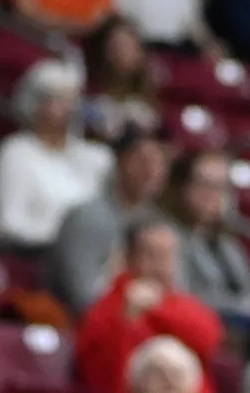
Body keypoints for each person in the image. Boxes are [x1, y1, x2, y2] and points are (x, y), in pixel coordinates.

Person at [76, 217, 225, 393]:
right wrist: (126, 320)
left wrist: (158, 308)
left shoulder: (181, 303)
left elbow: (210, 338)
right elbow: (103, 377)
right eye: (151, 255)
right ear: (128, 259)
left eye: (166, 255)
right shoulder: (108, 308)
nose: (160, 266)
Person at [0, 58, 114, 249]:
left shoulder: (97, 156)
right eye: (57, 100)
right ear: (34, 104)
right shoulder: (16, 152)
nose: (68, 109)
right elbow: (10, 221)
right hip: (38, 252)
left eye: (72, 100)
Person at [51, 129, 175, 314]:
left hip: (152, 322)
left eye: (161, 163)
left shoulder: (161, 224)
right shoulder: (87, 218)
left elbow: (177, 291)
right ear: (120, 161)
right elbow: (83, 297)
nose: (152, 171)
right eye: (143, 161)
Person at [164, 148, 250, 322]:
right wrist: (237, 308)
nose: (211, 195)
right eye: (203, 184)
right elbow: (183, 298)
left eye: (220, 187)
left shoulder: (226, 242)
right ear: (182, 187)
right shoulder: (166, 236)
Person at [82, 18, 166, 143]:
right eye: (114, 46)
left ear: (140, 51)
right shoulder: (89, 90)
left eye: (126, 45)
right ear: (104, 52)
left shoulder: (160, 93)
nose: (120, 52)